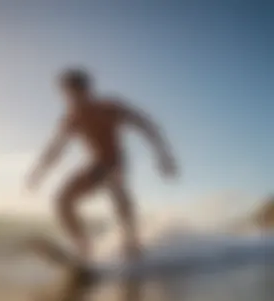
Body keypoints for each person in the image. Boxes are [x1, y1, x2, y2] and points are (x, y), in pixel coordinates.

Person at [26, 68, 178, 258]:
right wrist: (38, 172)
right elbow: (55, 149)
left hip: (115, 163)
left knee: (116, 188)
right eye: (67, 95)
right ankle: (84, 250)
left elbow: (145, 124)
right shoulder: (72, 118)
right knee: (62, 201)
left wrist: (163, 155)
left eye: (75, 93)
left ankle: (132, 245)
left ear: (86, 91)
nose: (72, 99)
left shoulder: (109, 108)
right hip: (95, 165)